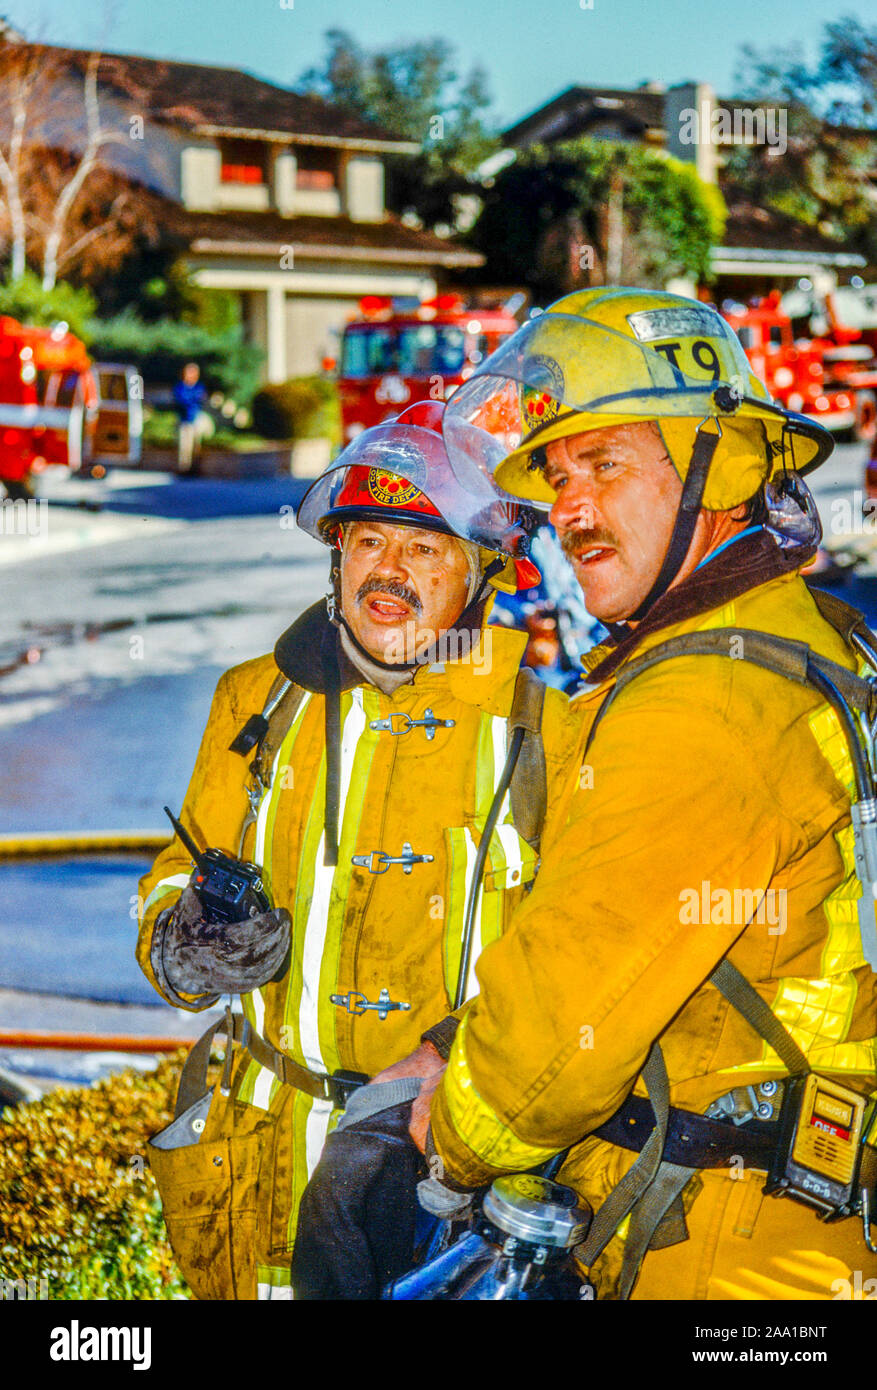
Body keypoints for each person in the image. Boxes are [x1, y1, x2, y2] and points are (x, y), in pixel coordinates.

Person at [293, 289, 877, 1301]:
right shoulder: (810, 639)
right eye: (557, 475)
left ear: (725, 469)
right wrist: (446, 1043)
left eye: (604, 464)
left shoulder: (707, 701)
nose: (567, 507)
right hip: (794, 1223)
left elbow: (554, 1050)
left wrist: (449, 1127)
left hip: (715, 1251)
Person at [135, 399, 574, 1299]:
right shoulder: (254, 701)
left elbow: (583, 957)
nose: (389, 571)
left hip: (437, 1166)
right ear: (336, 554)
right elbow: (173, 875)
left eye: (423, 548)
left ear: (480, 571)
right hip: (256, 1152)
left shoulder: (548, 734)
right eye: (367, 541)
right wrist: (186, 938)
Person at [173, 362, 208, 474]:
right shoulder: (180, 387)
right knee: (184, 445)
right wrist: (192, 400)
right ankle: (184, 468)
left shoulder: (199, 386)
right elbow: (182, 400)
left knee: (196, 444)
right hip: (184, 420)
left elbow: (201, 399)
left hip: (196, 418)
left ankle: (195, 467)